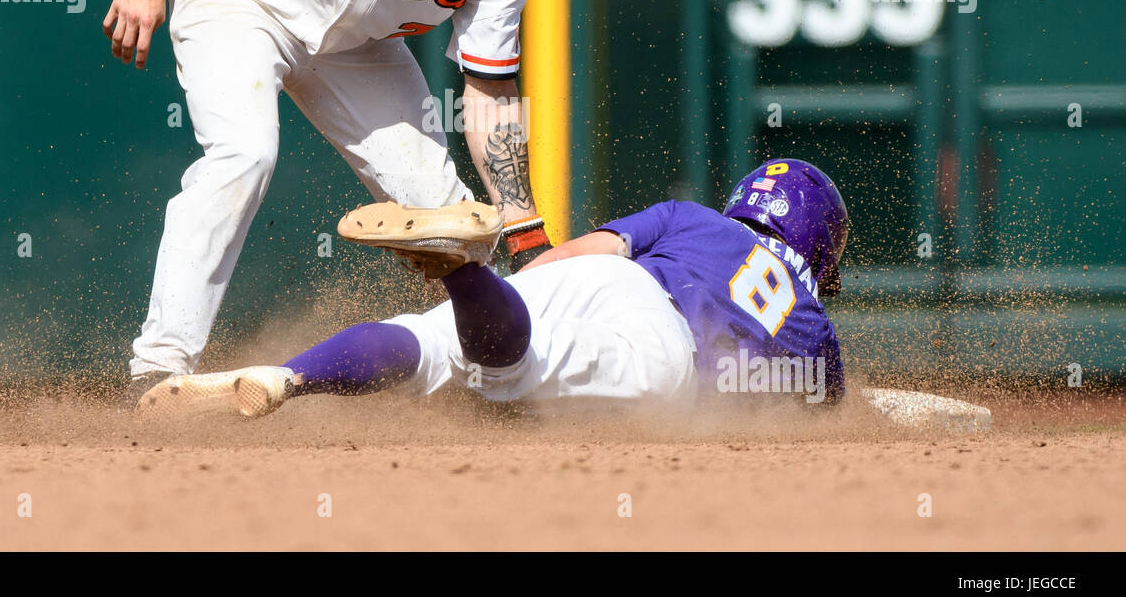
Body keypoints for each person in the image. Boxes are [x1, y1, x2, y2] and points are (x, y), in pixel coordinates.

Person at [101, 0, 554, 403]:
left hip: (358, 47)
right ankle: (157, 370)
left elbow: (489, 90)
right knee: (244, 153)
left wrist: (528, 233)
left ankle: (489, 385)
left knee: (454, 224)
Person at [135, 159, 850, 417]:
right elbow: (797, 412)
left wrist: (517, 291)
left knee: (430, 340)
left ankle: (288, 376)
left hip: (610, 278)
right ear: (819, 249)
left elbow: (572, 254)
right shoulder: (814, 323)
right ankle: (461, 270)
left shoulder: (693, 218)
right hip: (663, 351)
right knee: (509, 364)